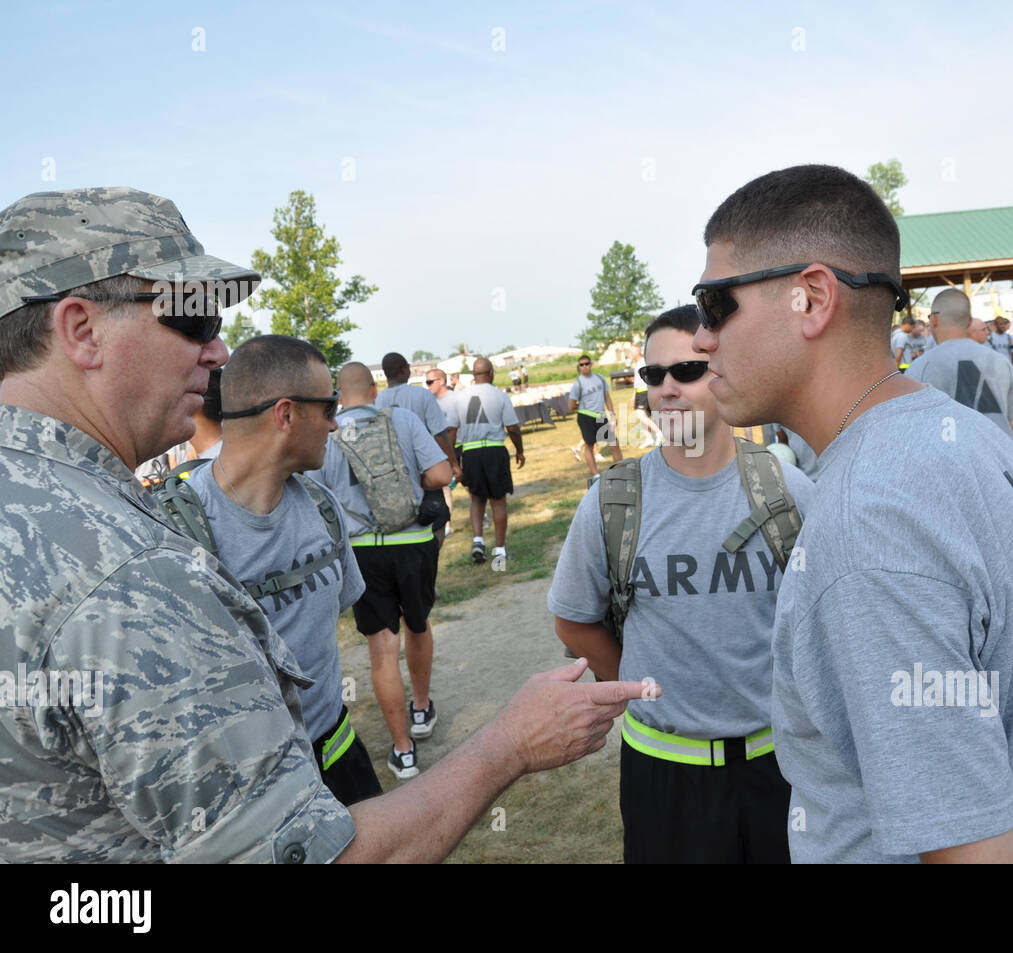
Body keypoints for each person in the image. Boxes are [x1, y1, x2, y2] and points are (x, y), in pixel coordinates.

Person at [0, 186, 651, 863]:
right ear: (80, 329)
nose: (220, 351)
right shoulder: (128, 576)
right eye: (193, 320)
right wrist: (508, 743)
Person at [690, 164, 1013, 864]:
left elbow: (974, 850)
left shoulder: (871, 518)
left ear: (811, 298)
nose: (700, 339)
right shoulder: (973, 439)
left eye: (714, 304)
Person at [550, 305, 816, 863]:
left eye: (686, 372)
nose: (666, 388)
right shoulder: (612, 501)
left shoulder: (787, 490)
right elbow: (573, 617)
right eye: (653, 375)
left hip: (781, 767)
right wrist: (632, 682)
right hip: (662, 775)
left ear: (722, 371)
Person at [184, 335, 379, 805]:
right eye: (329, 407)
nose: (335, 425)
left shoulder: (322, 506)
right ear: (286, 415)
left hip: (339, 757)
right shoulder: (179, 529)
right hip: (253, 790)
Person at [307, 363, 449, 780]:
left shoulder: (326, 433)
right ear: (374, 390)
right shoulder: (401, 418)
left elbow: (314, 494)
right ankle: (421, 708)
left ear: (338, 392)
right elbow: (441, 473)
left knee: (382, 649)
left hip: (361, 552)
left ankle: (403, 751)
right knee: (418, 625)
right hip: (413, 543)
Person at [905, 288, 1013, 450]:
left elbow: (913, 431)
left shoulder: (918, 368)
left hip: (946, 466)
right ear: (969, 321)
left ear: (934, 320)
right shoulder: (1000, 362)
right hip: (998, 464)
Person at [455, 357, 526, 565]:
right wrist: (520, 451)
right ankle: (500, 551)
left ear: (473, 375)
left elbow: (451, 429)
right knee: (498, 500)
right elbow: (512, 427)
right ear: (491, 372)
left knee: (476, 498)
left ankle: (478, 541)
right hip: (494, 450)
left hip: (470, 451)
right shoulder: (500, 395)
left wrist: (454, 458)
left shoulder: (460, 397)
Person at [377, 352, 460, 478]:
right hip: (425, 467)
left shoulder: (377, 401)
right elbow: (440, 433)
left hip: (394, 470)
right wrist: (453, 463)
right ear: (404, 370)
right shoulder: (423, 395)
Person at [569, 354, 624, 477]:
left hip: (600, 416)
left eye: (587, 364)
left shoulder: (599, 378)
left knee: (614, 443)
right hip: (586, 416)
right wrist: (583, 406)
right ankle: (595, 474)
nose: (585, 367)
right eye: (582, 365)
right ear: (579, 367)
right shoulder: (578, 384)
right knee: (589, 445)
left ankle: (620, 469)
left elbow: (606, 397)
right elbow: (571, 405)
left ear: (591, 364)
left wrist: (612, 413)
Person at [425, 367, 461, 538]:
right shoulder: (429, 401)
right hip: (438, 453)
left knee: (467, 485)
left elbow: (452, 429)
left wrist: (452, 455)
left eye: (430, 382)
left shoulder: (454, 399)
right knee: (446, 488)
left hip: (457, 447)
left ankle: (481, 512)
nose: (428, 386)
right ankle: (447, 524)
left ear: (441, 381)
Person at [629, 343, 662, 448]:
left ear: (639, 351)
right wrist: (634, 396)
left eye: (633, 351)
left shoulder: (644, 362)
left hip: (644, 391)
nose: (631, 353)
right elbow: (636, 382)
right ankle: (649, 439)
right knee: (644, 416)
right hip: (639, 392)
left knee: (640, 415)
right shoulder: (637, 363)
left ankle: (659, 432)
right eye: (630, 352)